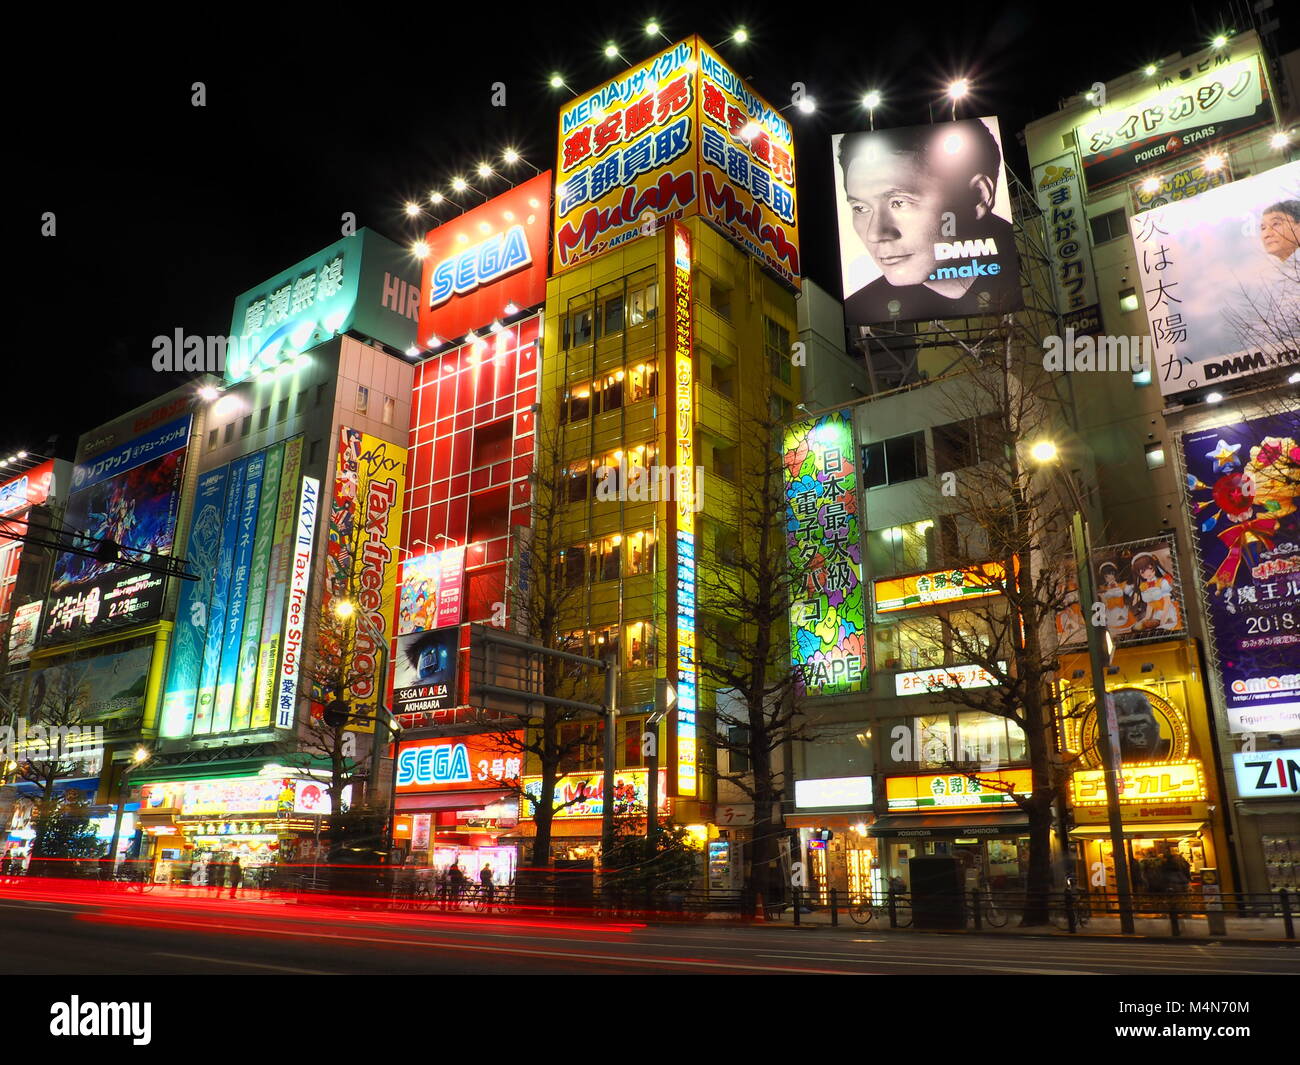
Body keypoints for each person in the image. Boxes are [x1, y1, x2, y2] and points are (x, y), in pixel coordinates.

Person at [837, 119, 1022, 327]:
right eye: (860, 208)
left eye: (898, 202)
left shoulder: (1027, 276)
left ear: (978, 196)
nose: (875, 233)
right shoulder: (862, 307)